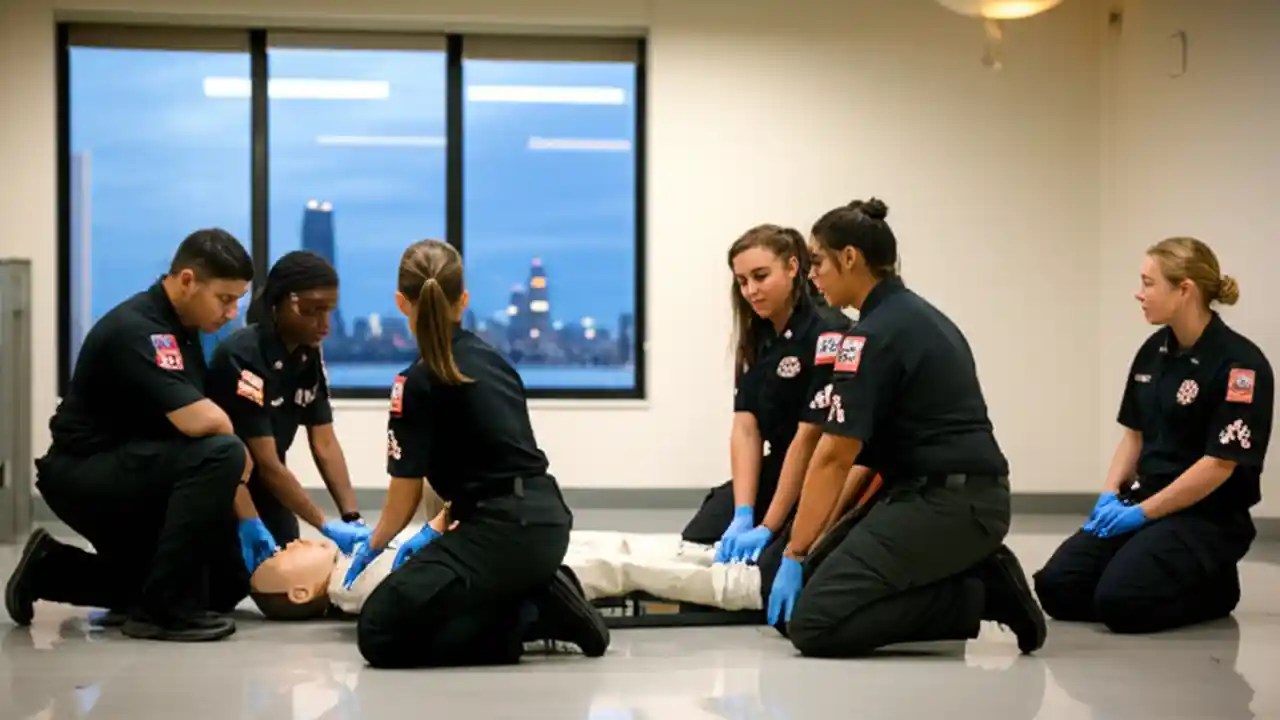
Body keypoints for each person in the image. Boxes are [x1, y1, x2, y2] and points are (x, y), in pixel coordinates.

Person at [764, 199, 1046, 657]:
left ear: (850, 257)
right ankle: (959, 574)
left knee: (813, 626)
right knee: (803, 602)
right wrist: (816, 542)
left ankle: (978, 593)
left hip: (951, 503)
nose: (811, 275)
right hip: (942, 496)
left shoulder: (872, 337)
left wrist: (797, 554)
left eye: (816, 261)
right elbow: (864, 456)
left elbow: (834, 457)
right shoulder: (915, 318)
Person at [340, 239, 610, 668]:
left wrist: (374, 544)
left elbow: (404, 496)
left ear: (400, 303)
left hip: (502, 531)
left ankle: (532, 612)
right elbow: (497, 463)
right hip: (546, 519)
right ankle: (533, 587)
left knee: (379, 630)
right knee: (429, 604)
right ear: (462, 300)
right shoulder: (494, 362)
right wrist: (438, 528)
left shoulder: (414, 383)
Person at [4, 229, 267, 642]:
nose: (232, 312)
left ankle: (50, 569)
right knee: (222, 453)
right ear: (186, 281)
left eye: (238, 300)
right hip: (87, 473)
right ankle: (160, 614)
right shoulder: (139, 329)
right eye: (225, 299)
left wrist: (247, 514)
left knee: (223, 586)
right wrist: (236, 451)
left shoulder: (183, 329)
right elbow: (199, 423)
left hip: (138, 466)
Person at [1033, 237, 1272, 633]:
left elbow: (1218, 464)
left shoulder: (1240, 366)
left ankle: (1215, 588)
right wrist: (1109, 496)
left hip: (1206, 516)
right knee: (1056, 588)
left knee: (1122, 604)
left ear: (1184, 290)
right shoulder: (1153, 351)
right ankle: (1143, 569)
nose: (1138, 293)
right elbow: (1134, 436)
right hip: (1144, 501)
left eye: (1148, 283)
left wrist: (1143, 514)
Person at [681, 224, 855, 564]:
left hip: (818, 473)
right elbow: (746, 428)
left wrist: (769, 524)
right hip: (774, 467)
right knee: (700, 538)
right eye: (743, 281)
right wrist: (743, 512)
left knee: (769, 561)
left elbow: (809, 441)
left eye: (761, 276)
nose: (751, 290)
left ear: (792, 268)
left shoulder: (828, 331)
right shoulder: (757, 336)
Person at [206, 251, 369, 569]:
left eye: (329, 312)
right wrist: (323, 524)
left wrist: (352, 519)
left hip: (270, 486)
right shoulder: (243, 357)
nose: (324, 324)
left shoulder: (308, 357)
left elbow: (324, 442)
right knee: (231, 584)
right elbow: (266, 463)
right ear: (279, 304)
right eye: (312, 311)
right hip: (225, 486)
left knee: (293, 557)